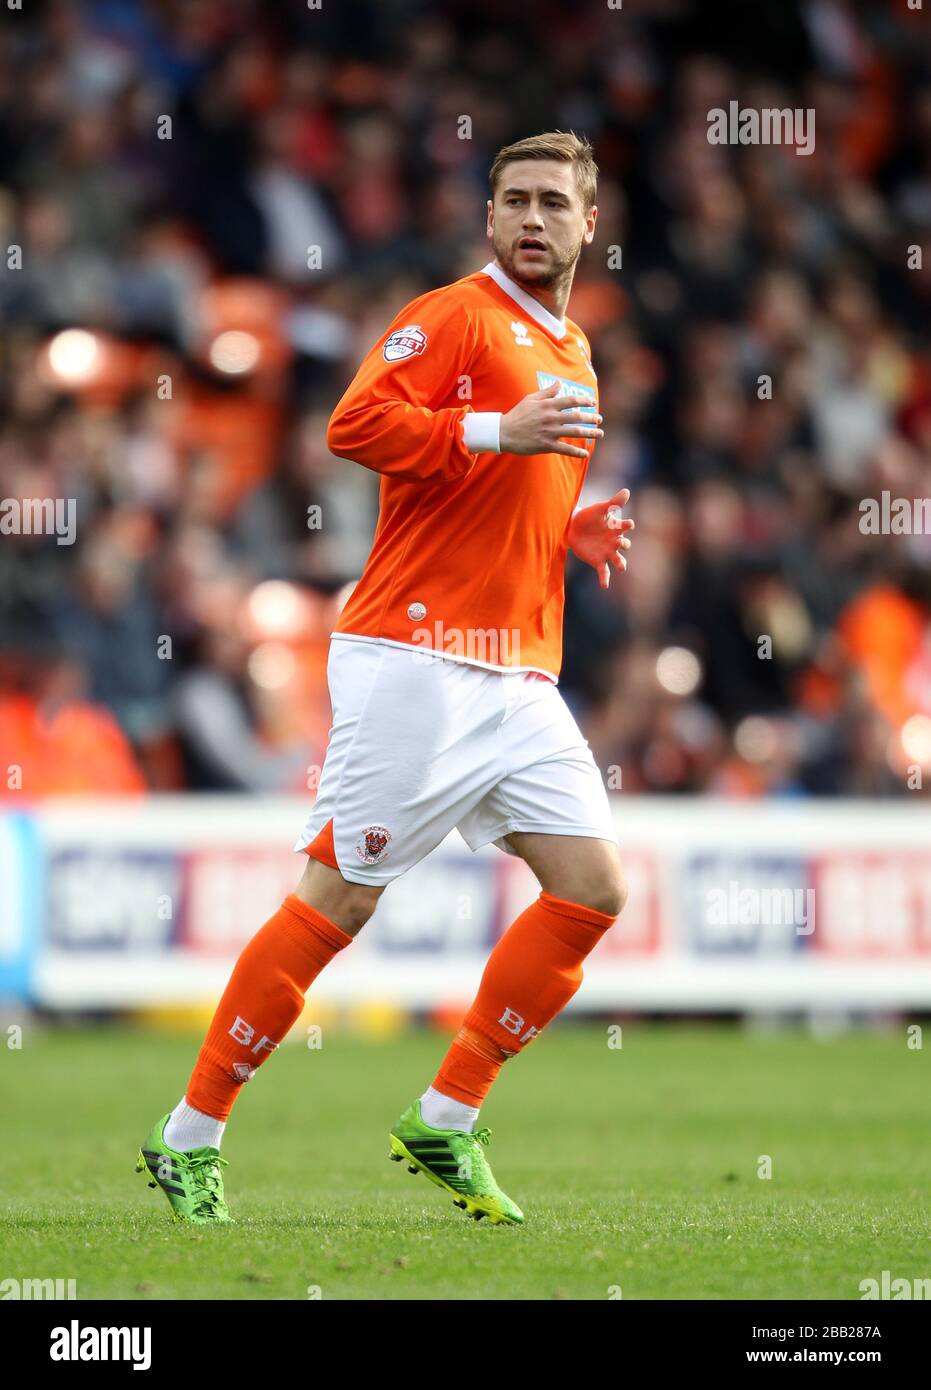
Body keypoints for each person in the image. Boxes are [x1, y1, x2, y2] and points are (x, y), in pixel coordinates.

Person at [137, 130, 635, 1226]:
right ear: (490, 215)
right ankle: (189, 1135)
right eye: (515, 200)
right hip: (413, 656)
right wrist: (497, 428)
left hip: (518, 673)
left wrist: (567, 531)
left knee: (593, 888)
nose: (534, 219)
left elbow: (496, 502)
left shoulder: (575, 350)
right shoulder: (454, 314)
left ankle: (445, 1116)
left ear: (590, 222)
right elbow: (353, 422)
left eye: (555, 202)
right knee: (341, 896)